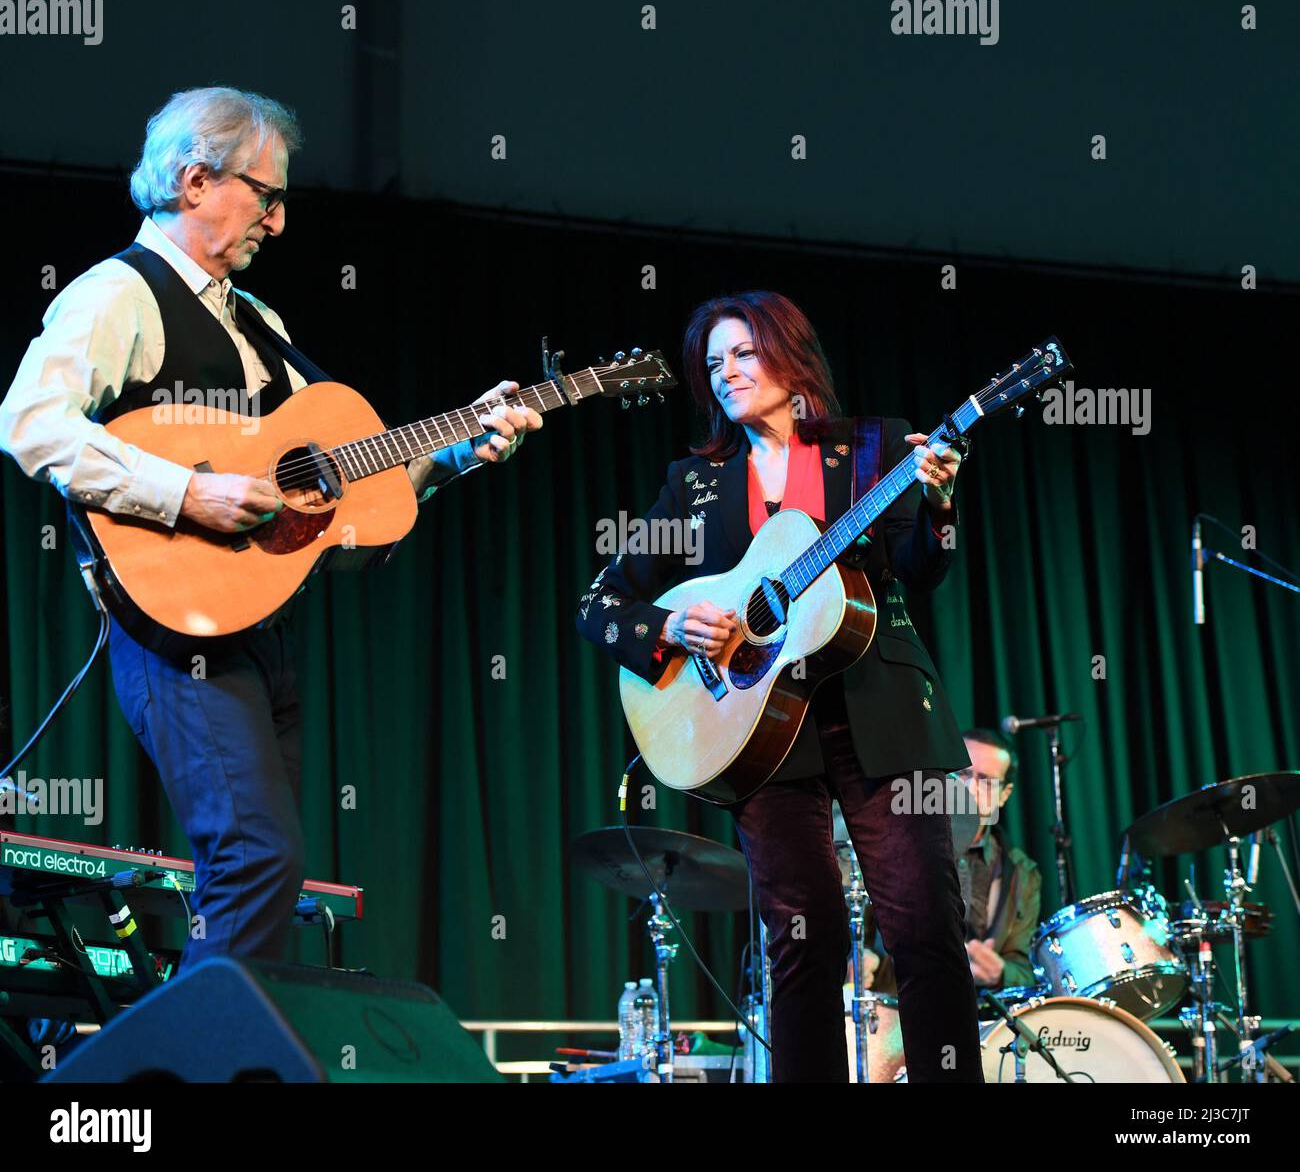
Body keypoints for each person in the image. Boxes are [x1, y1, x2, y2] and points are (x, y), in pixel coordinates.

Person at [0, 87, 541, 967]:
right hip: (174, 635)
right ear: (196, 178)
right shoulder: (116, 295)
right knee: (257, 859)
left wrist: (458, 451)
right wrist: (184, 493)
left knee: (263, 879)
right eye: (267, 194)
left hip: (263, 632)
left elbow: (333, 497)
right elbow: (31, 422)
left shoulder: (264, 327)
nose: (280, 222)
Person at [576, 289, 981, 1081]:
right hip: (761, 733)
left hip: (880, 708)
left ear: (790, 355)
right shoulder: (693, 484)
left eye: (743, 353)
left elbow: (921, 570)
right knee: (803, 942)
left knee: (924, 928)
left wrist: (938, 502)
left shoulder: (874, 448)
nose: (725, 372)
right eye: (714, 361)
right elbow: (600, 604)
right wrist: (669, 628)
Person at [854, 727, 1043, 999]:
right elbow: (856, 930)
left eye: (986, 780)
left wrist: (1001, 973)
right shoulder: (894, 840)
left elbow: (1026, 968)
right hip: (894, 1012)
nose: (970, 787)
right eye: (962, 774)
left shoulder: (1022, 872)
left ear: (1005, 794)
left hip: (976, 1019)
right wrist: (859, 959)